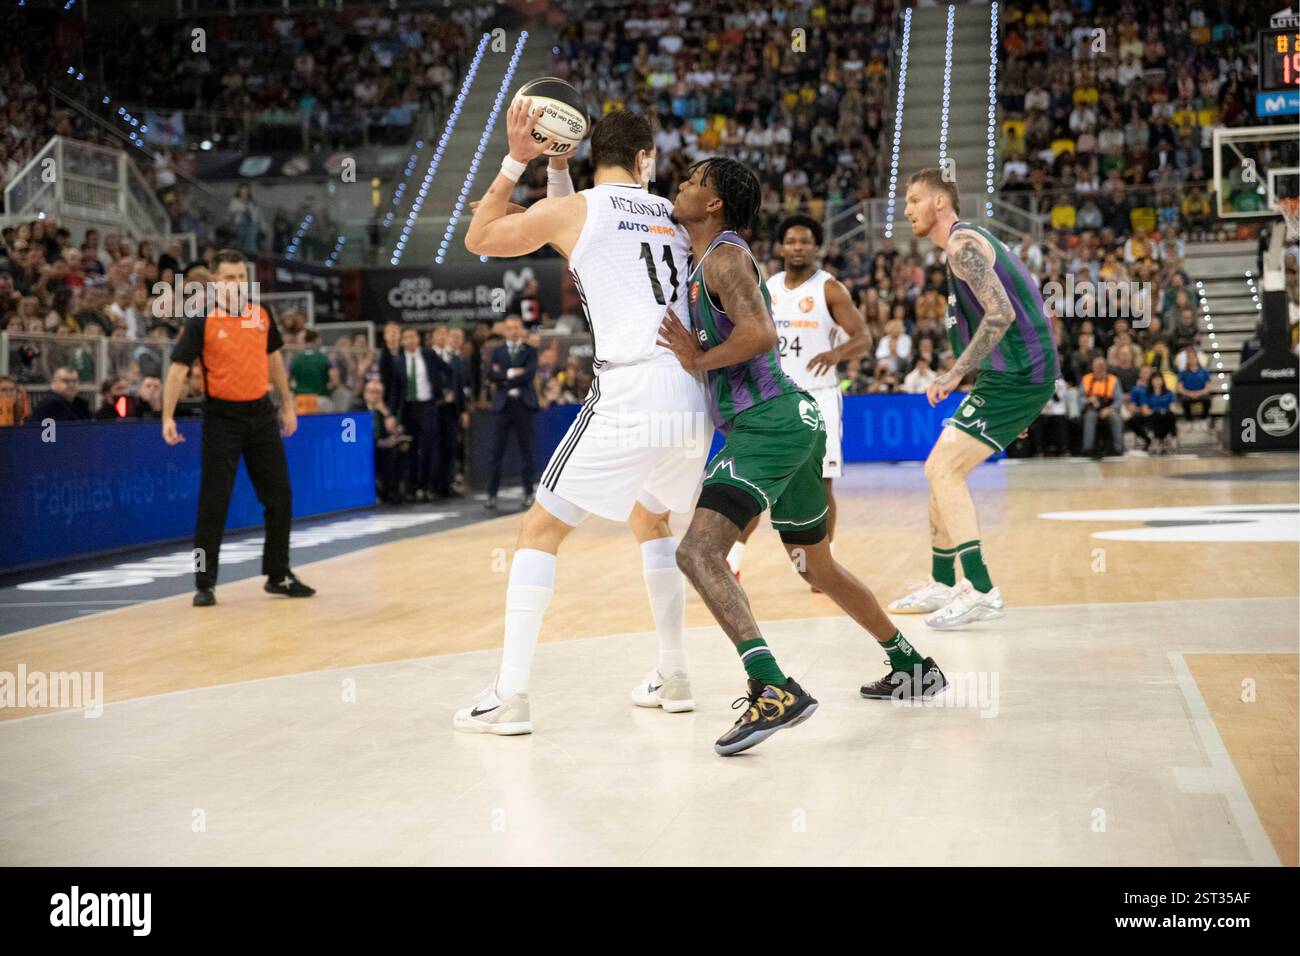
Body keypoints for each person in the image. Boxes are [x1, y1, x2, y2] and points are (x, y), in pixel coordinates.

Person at [658, 157, 947, 757]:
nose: (679, 186)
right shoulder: (705, 253)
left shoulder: (726, 257)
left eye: (691, 182)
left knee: (695, 550)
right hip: (794, 422)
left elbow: (759, 334)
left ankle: (771, 687)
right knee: (819, 568)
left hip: (769, 424)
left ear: (714, 204)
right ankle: (911, 665)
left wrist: (696, 360)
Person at [454, 106, 710, 736]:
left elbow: (480, 236)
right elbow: (592, 247)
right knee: (652, 520)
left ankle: (510, 695)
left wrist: (521, 159)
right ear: (647, 159)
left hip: (630, 384)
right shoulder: (677, 216)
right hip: (692, 389)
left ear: (594, 154)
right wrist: (561, 173)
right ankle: (673, 672)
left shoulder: (580, 209)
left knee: (539, 532)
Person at [888, 168, 1060, 628]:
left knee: (943, 468)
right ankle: (943, 581)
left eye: (914, 199)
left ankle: (981, 589)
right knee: (939, 467)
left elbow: (1001, 313)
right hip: (1008, 376)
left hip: (1021, 375)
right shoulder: (960, 249)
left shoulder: (964, 248)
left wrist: (957, 370)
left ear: (940, 204)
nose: (906, 210)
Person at [161, 249, 314, 607]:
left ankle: (278, 574)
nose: (236, 284)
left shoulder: (260, 314)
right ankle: (204, 582)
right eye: (229, 278)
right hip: (222, 418)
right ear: (214, 282)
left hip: (261, 414)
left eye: (241, 278)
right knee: (213, 502)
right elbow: (178, 369)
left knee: (280, 497)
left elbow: (273, 359)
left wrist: (287, 404)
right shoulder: (201, 320)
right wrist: (167, 416)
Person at [725, 214, 870, 586]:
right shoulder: (768, 287)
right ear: (780, 247)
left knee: (822, 483)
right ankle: (733, 560)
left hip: (819, 396)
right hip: (776, 397)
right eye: (790, 241)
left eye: (805, 241)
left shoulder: (830, 289)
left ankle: (826, 565)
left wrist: (837, 354)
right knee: (757, 479)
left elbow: (864, 338)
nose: (797, 247)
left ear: (816, 247)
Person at [484, 316, 539, 509]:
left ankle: (528, 493)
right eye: (509, 328)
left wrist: (504, 377)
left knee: (527, 452)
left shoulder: (531, 351)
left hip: (523, 405)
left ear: (521, 330)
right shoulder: (497, 351)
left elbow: (530, 374)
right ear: (505, 331)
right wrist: (512, 373)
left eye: (516, 328)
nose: (513, 331)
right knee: (495, 452)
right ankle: (491, 494)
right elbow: (490, 374)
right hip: (502, 406)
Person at [393, 326, 451, 502]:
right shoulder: (398, 361)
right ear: (402, 342)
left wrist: (443, 392)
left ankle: (427, 486)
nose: (410, 340)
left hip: (427, 405)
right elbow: (395, 389)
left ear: (417, 339)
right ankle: (411, 487)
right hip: (408, 408)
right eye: (406, 338)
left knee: (428, 448)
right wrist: (393, 413)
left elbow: (448, 371)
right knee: (409, 447)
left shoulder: (428, 355)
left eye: (412, 336)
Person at [1080, 356, 1124, 457]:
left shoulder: (1114, 379)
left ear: (1106, 367)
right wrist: (1088, 400)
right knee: (1090, 416)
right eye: (1097, 366)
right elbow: (1079, 398)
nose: (1100, 368)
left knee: (1115, 417)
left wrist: (1109, 409)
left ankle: (1118, 448)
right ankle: (1088, 448)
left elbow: (1119, 400)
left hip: (1108, 407)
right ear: (1093, 367)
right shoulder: (1086, 379)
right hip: (1091, 408)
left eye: (1102, 366)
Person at [1176, 348, 1212, 423]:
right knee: (1184, 400)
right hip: (1188, 394)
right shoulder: (1183, 373)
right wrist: (1189, 393)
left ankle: (1204, 418)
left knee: (1207, 399)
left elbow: (1208, 387)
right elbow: (1179, 388)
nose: (1191, 359)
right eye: (1189, 358)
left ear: (1197, 358)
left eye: (1193, 357)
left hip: (1201, 393)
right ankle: (1188, 419)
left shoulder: (1204, 371)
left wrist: (1200, 393)